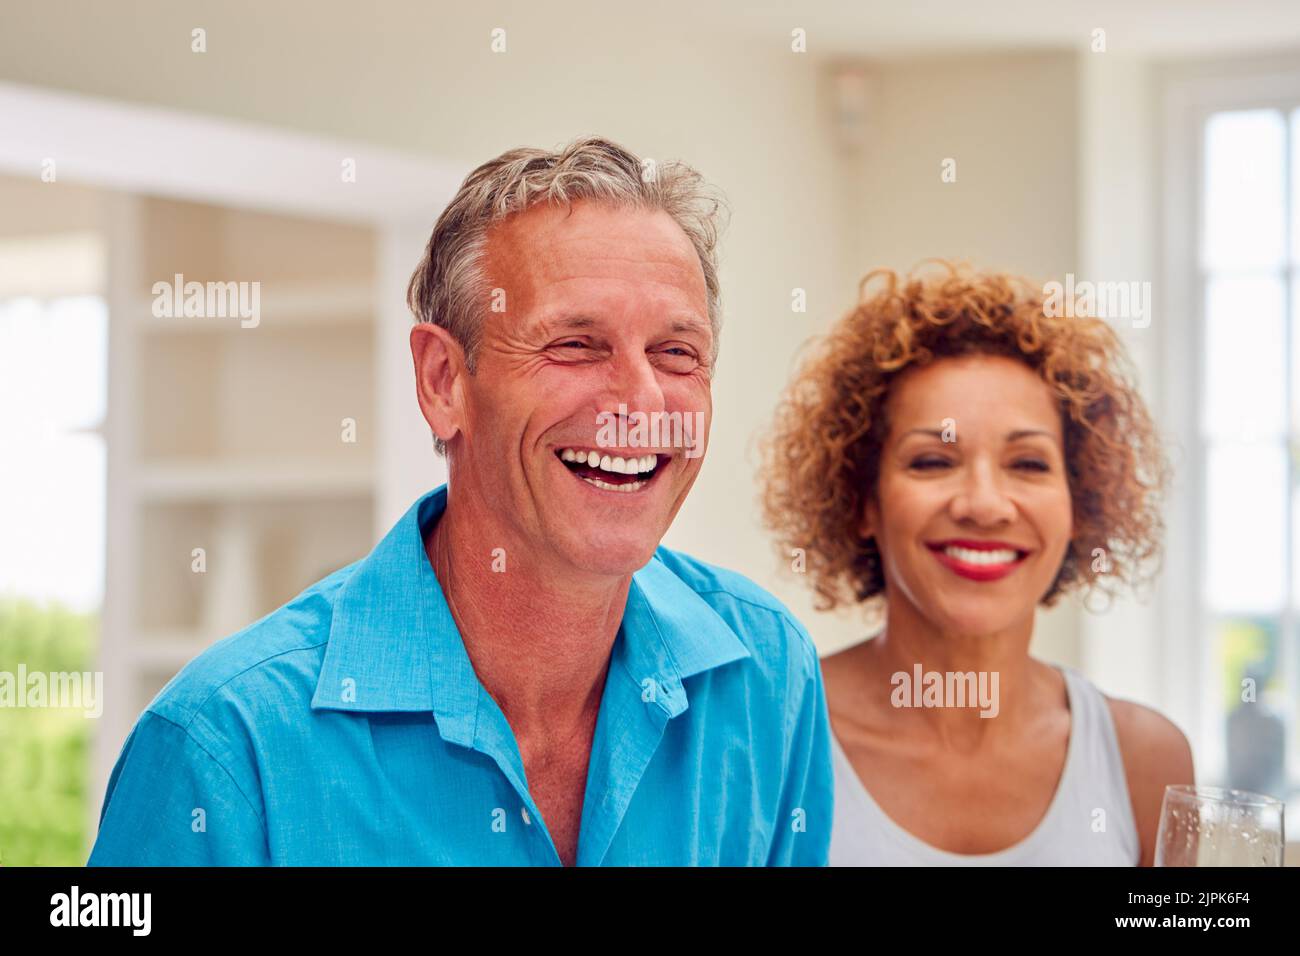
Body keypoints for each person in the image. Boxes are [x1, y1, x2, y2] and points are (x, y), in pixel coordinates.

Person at [88, 136, 832, 866]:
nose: (641, 402)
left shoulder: (765, 678)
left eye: (677, 354)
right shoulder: (226, 747)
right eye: (576, 344)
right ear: (444, 381)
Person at [760, 261, 1193, 865]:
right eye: (933, 463)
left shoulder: (1146, 760)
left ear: (1081, 504)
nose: (985, 505)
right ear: (864, 502)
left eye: (1029, 464)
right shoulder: (772, 736)